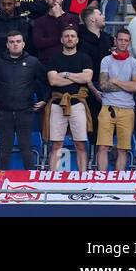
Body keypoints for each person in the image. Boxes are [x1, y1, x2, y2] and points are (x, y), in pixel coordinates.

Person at [0, 31, 48, 169]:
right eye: (12, 42)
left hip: (25, 110)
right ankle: (1, 179)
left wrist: (44, 99)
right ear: (7, 45)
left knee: (26, 147)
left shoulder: (33, 62)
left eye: (18, 41)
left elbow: (46, 82)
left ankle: (30, 178)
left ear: (23, 44)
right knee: (4, 149)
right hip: (3, 111)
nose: (15, 44)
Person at [44, 27, 94, 170]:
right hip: (57, 104)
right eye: (66, 36)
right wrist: (76, 77)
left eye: (72, 36)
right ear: (61, 40)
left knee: (80, 144)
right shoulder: (54, 59)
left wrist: (65, 74)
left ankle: (82, 177)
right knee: (56, 144)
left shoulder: (84, 58)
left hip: (78, 104)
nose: (70, 38)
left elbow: (87, 78)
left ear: (77, 40)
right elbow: (53, 81)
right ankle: (53, 177)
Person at [95, 28, 136, 172]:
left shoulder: (134, 63)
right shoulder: (106, 60)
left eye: (126, 40)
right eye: (120, 39)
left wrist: (116, 81)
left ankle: (118, 179)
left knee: (123, 148)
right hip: (107, 107)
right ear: (115, 40)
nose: (123, 43)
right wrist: (126, 85)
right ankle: (102, 179)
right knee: (103, 146)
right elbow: (103, 85)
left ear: (129, 42)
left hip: (127, 109)